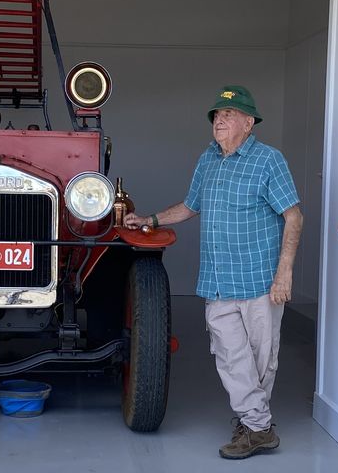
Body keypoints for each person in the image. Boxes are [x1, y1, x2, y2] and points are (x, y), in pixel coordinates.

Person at [125, 85, 303, 460]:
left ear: (249, 123)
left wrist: (284, 273)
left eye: (229, 114)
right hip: (218, 281)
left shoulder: (269, 160)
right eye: (216, 116)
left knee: (260, 360)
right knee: (229, 356)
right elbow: (190, 206)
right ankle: (259, 427)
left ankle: (253, 425)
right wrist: (151, 219)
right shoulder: (208, 159)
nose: (219, 120)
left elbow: (293, 216)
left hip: (260, 280)